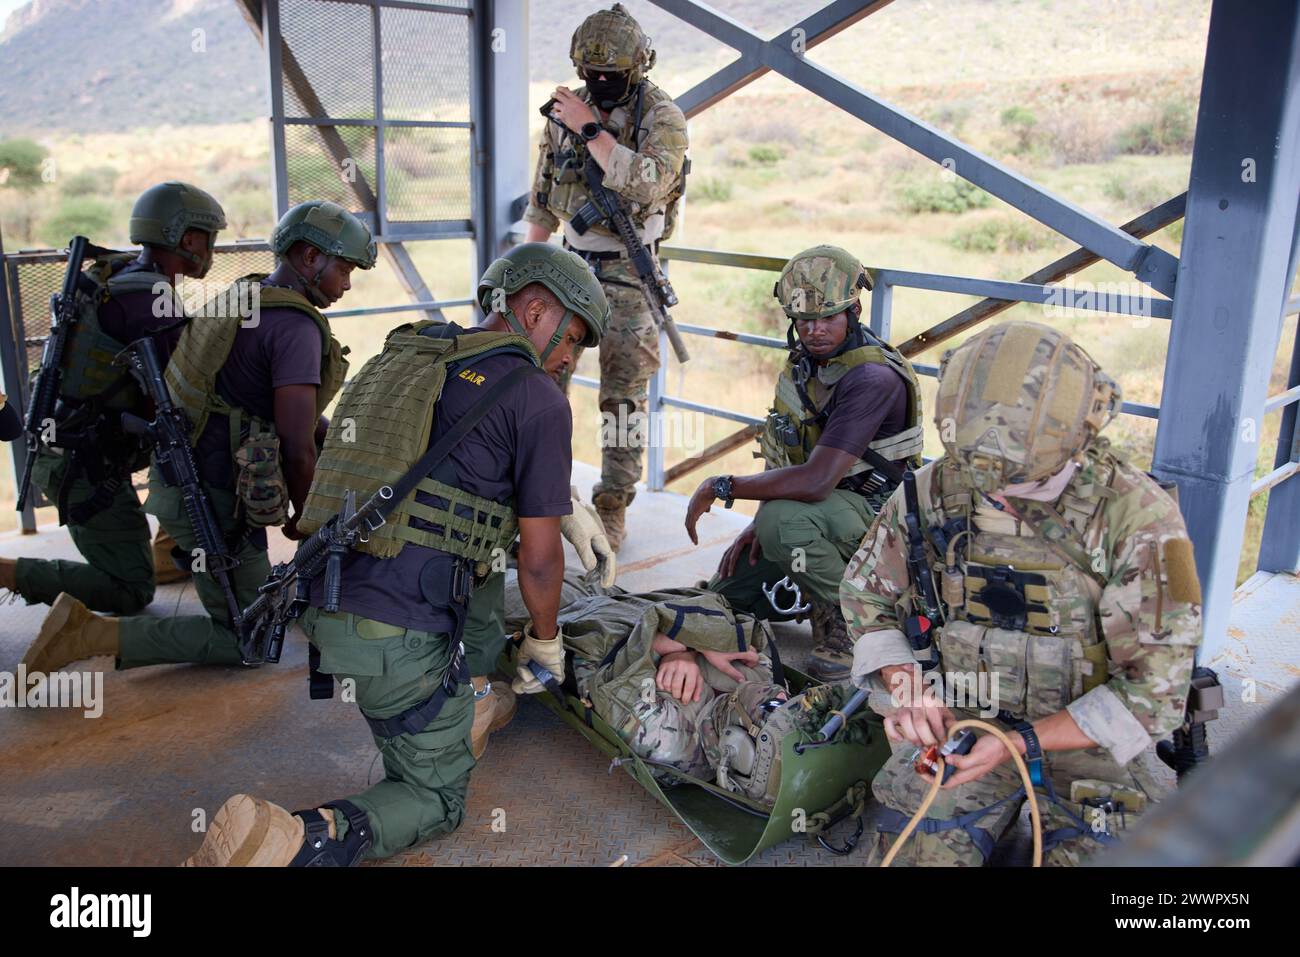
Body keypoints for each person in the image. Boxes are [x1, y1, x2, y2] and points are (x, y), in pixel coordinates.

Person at [184, 242, 611, 866]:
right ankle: (289, 841)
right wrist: (545, 641)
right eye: (571, 337)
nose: (570, 357)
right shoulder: (539, 399)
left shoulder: (409, 353)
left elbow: (443, 463)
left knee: (475, 578)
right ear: (537, 310)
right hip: (393, 640)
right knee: (435, 800)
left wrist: (556, 496)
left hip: (323, 602)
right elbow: (540, 562)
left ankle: (457, 702)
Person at [840, 320, 1203, 866]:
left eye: (1028, 485)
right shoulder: (935, 489)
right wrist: (905, 684)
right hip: (963, 722)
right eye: (983, 482)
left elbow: (1155, 690)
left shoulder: (1139, 520)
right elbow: (867, 596)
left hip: (1085, 743)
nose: (999, 500)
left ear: (1079, 441)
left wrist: (1019, 744)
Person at [20, 200, 373, 674]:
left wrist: (350, 448)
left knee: (255, 600)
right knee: (248, 640)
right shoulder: (295, 330)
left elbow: (265, 410)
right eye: (345, 270)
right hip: (213, 498)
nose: (346, 284)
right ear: (310, 257)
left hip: (187, 480)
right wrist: (312, 527)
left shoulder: (245, 296)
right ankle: (88, 633)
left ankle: (257, 593)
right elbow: (296, 446)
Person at [684, 245, 923, 681]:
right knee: (726, 597)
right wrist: (758, 525)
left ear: (854, 310)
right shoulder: (809, 366)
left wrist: (722, 486)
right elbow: (791, 460)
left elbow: (815, 481)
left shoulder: (872, 377)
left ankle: (859, 622)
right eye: (804, 320)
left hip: (882, 525)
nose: (814, 330)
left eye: (827, 317)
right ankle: (814, 587)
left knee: (783, 526)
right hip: (827, 517)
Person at [1, 182, 226, 614]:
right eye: (209, 238)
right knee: (129, 591)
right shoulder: (148, 299)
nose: (211, 249)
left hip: (81, 445)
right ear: (190, 239)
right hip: (83, 462)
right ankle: (7, 572)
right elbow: (177, 396)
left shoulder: (116, 273)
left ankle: (167, 550)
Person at [522, 2, 689, 550]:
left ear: (637, 68)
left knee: (623, 401)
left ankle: (611, 505)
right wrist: (526, 270)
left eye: (611, 76)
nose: (598, 84)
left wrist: (591, 129)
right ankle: (542, 499)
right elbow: (545, 194)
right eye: (591, 75)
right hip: (567, 269)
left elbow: (649, 183)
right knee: (541, 386)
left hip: (627, 274)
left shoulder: (661, 117)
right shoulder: (565, 110)